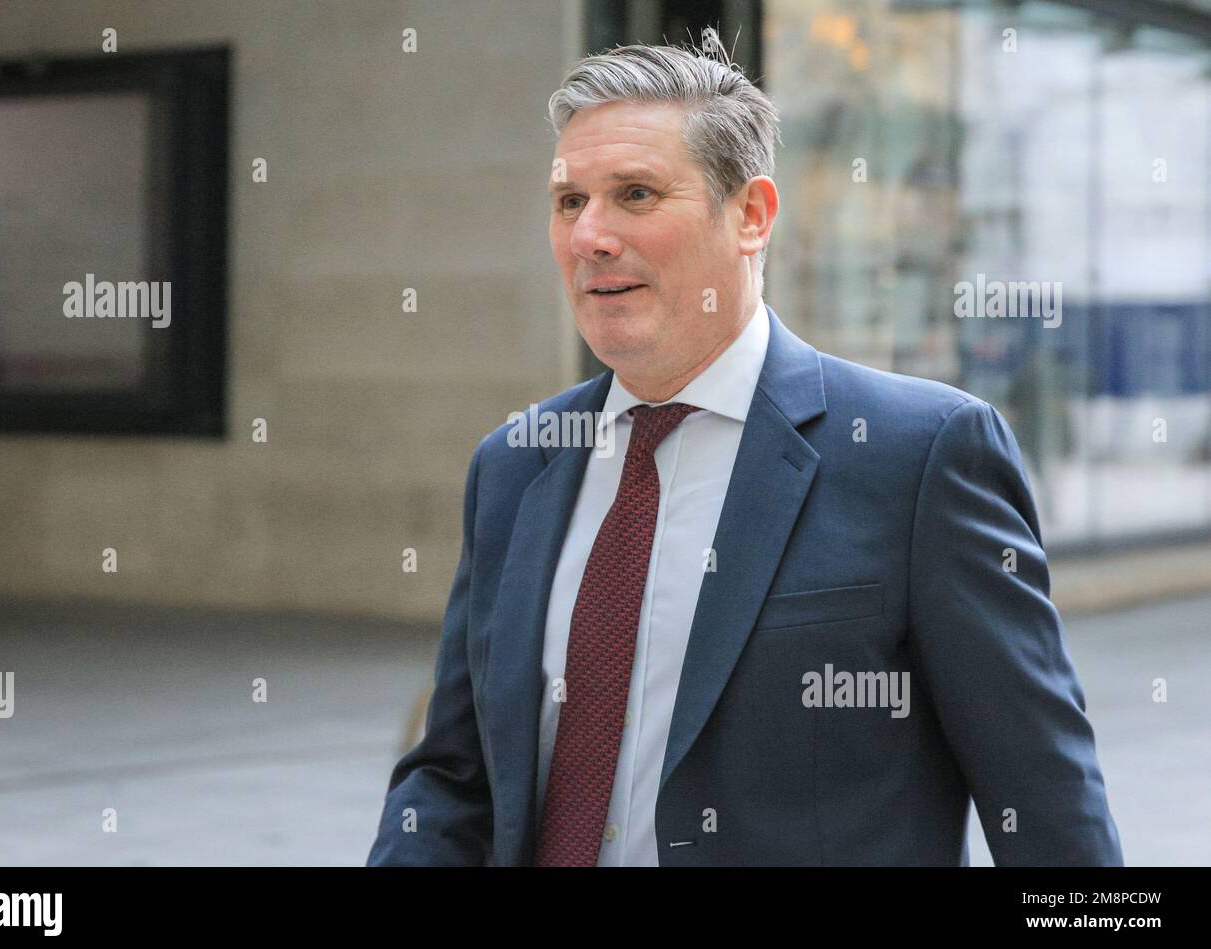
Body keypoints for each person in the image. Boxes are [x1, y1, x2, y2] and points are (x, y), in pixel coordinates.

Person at [366, 34, 1123, 866]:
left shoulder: (921, 457)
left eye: (636, 194)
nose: (590, 235)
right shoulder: (516, 463)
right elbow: (453, 774)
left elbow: (1046, 798)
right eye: (569, 201)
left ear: (752, 216)